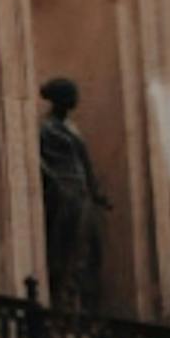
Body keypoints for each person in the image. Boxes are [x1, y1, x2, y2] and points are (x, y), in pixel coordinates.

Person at [38, 74, 111, 312]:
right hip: (63, 194)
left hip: (79, 194)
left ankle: (75, 303)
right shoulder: (47, 129)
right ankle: (62, 302)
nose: (76, 99)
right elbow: (39, 160)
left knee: (84, 249)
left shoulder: (70, 128)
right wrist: (54, 181)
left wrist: (96, 192)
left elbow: (85, 163)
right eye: (72, 95)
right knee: (64, 247)